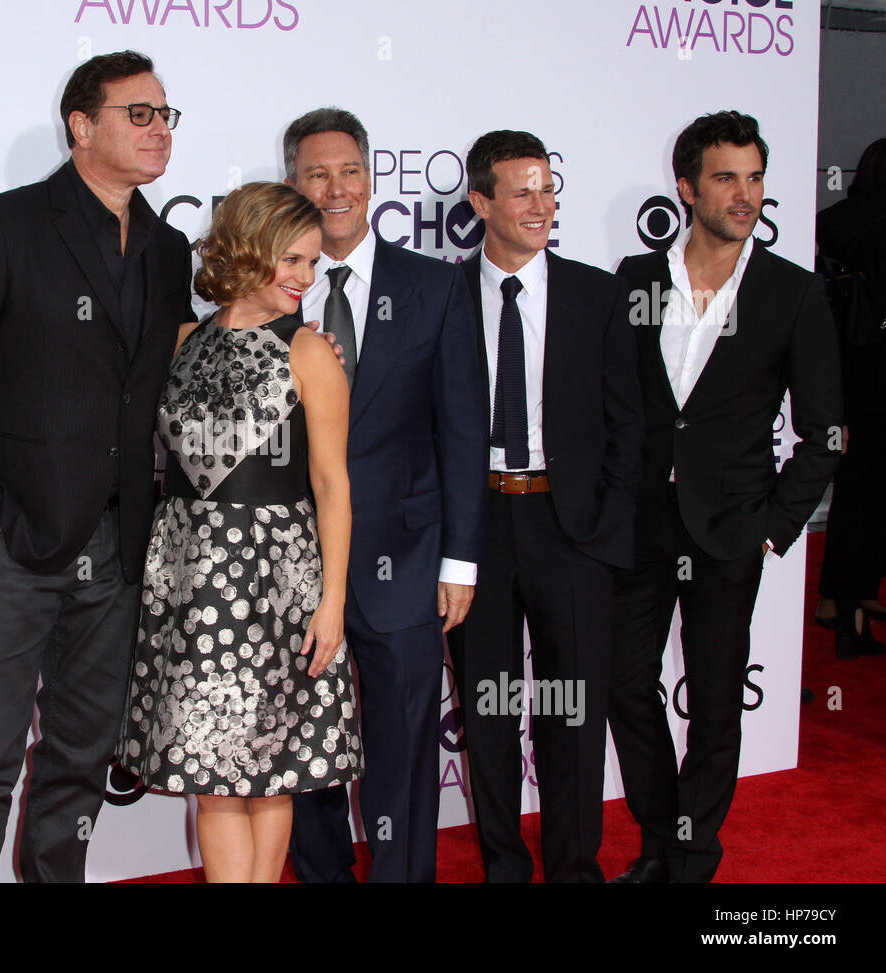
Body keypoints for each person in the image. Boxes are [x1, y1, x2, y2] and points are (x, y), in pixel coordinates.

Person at [0, 50, 195, 883]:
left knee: (82, 756)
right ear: (81, 125)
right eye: (139, 113)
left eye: (166, 114)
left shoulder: (170, 249)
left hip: (120, 543)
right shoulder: (5, 226)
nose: (159, 128)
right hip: (12, 544)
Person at [608, 111, 842, 883]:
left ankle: (691, 856)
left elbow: (826, 433)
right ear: (686, 187)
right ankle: (659, 836)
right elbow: (617, 405)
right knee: (621, 682)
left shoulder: (793, 293)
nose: (744, 195)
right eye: (725, 177)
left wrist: (773, 528)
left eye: (753, 178)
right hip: (640, 523)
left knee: (714, 703)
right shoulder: (637, 281)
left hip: (729, 530)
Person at [117, 181, 361, 883]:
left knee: (269, 766)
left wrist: (333, 600)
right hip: (190, 571)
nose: (304, 278)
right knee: (211, 769)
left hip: (277, 574)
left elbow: (332, 485)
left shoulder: (309, 349)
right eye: (291, 260)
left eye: (312, 263)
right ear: (246, 250)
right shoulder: (182, 340)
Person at [282, 107, 489, 883]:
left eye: (348, 171)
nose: (334, 188)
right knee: (305, 754)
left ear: (370, 180)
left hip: (407, 554)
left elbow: (464, 430)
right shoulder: (273, 292)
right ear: (293, 182)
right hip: (296, 563)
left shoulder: (435, 285)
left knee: (403, 746)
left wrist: (460, 560)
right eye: (315, 173)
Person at [450, 130, 642, 882]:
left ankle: (572, 866)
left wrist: (605, 526)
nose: (541, 206)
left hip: (572, 532)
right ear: (480, 202)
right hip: (479, 529)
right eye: (523, 191)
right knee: (489, 712)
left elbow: (630, 423)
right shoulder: (444, 296)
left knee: (572, 714)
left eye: (548, 189)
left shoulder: (598, 294)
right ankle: (504, 863)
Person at [813, 137, 886, 658]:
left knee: (853, 490)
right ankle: (854, 606)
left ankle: (834, 603)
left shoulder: (833, 219)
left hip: (839, 370)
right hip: (878, 369)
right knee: (871, 496)